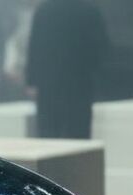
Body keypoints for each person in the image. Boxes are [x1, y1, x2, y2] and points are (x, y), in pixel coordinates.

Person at [26, 0, 108, 139]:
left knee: (49, 132)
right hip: (80, 80)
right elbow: (101, 47)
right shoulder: (90, 10)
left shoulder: (44, 10)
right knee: (79, 131)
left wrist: (31, 80)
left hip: (49, 82)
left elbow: (35, 47)